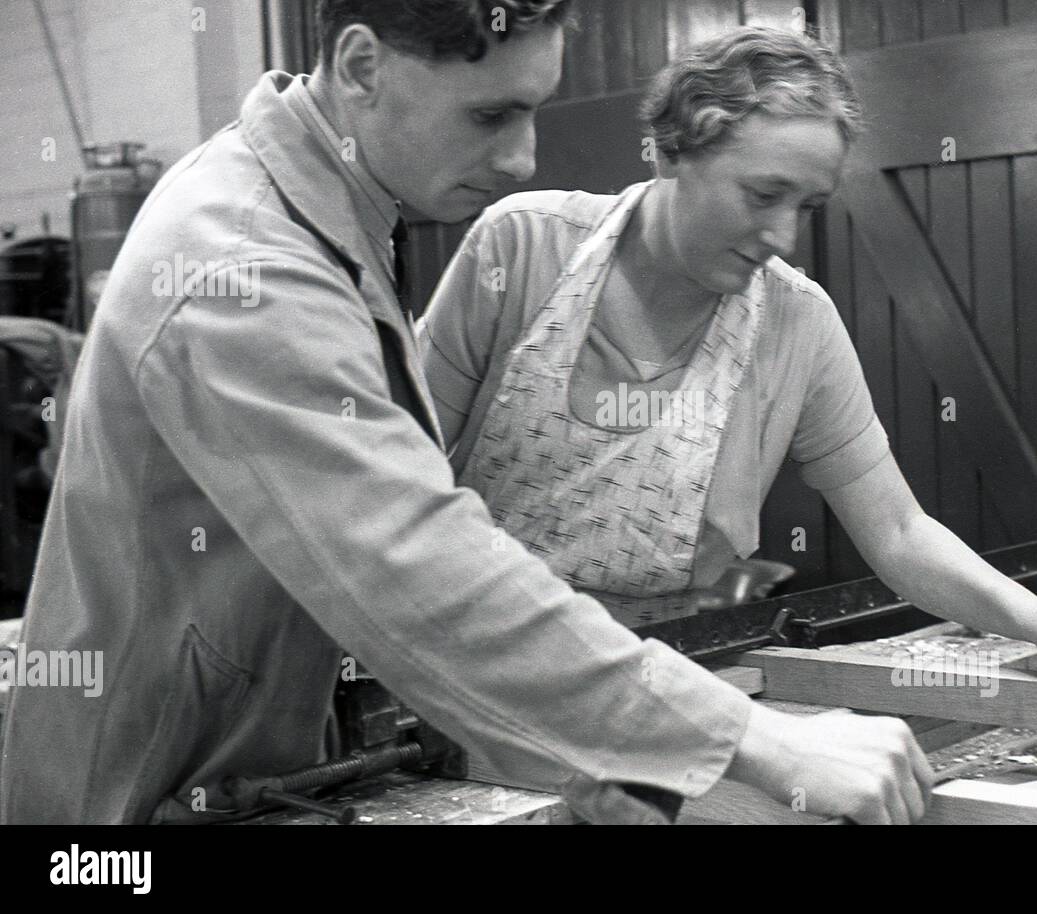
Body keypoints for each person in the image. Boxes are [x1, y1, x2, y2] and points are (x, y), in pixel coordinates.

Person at [0, 1, 941, 826]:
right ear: (363, 66)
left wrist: (585, 740)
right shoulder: (241, 268)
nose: (522, 154)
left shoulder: (337, 213)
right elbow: (415, 562)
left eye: (532, 106)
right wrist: (759, 741)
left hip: (260, 761)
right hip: (134, 798)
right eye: (491, 112)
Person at [417, 27, 1037, 709]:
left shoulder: (796, 322)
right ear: (675, 150)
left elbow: (900, 530)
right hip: (474, 671)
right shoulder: (519, 251)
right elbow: (398, 476)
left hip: (671, 681)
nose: (784, 235)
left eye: (808, 205)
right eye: (763, 194)